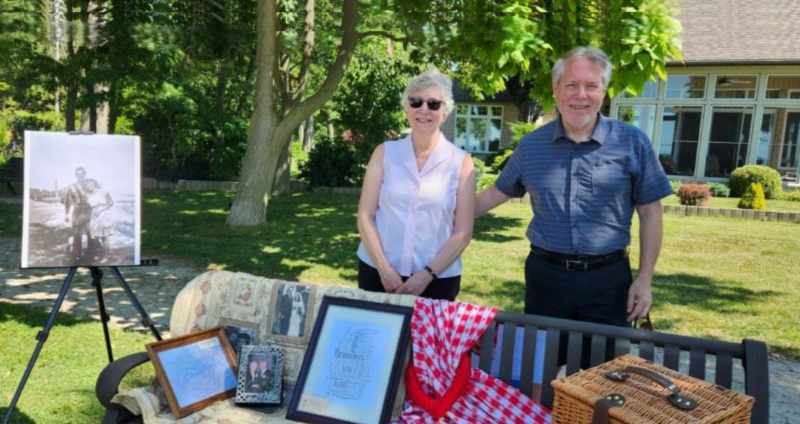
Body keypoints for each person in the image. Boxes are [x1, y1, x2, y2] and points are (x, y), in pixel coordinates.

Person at [476, 46, 672, 333]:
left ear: (603, 91)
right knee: (542, 358)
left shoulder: (632, 142)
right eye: (571, 85)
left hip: (609, 280)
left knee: (607, 362)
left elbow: (651, 212)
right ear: (555, 90)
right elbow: (496, 193)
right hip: (546, 278)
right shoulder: (531, 147)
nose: (581, 95)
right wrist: (445, 215)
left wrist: (644, 280)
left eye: (591, 86)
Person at [356, 69, 476, 301]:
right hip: (378, 273)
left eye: (434, 104)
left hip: (438, 280)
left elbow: (463, 232)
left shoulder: (462, 162)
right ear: (407, 108)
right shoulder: (384, 153)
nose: (424, 109)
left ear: (445, 112)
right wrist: (384, 269)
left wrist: (426, 275)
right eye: (416, 101)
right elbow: (364, 215)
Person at [64, 166, 92, 261]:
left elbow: (98, 195)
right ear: (75, 175)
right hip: (78, 211)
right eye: (78, 174)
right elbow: (67, 201)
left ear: (85, 174)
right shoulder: (71, 187)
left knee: (91, 233)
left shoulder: (90, 186)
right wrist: (66, 214)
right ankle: (76, 255)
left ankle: (91, 254)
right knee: (77, 234)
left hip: (89, 211)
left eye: (82, 173)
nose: (80, 175)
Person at [85, 178, 115, 263]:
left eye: (90, 184)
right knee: (96, 237)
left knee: (104, 237)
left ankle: (105, 257)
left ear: (94, 184)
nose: (89, 186)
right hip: (94, 216)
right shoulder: (87, 194)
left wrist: (101, 210)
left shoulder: (103, 192)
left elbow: (111, 203)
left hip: (104, 215)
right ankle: (101, 254)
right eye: (87, 185)